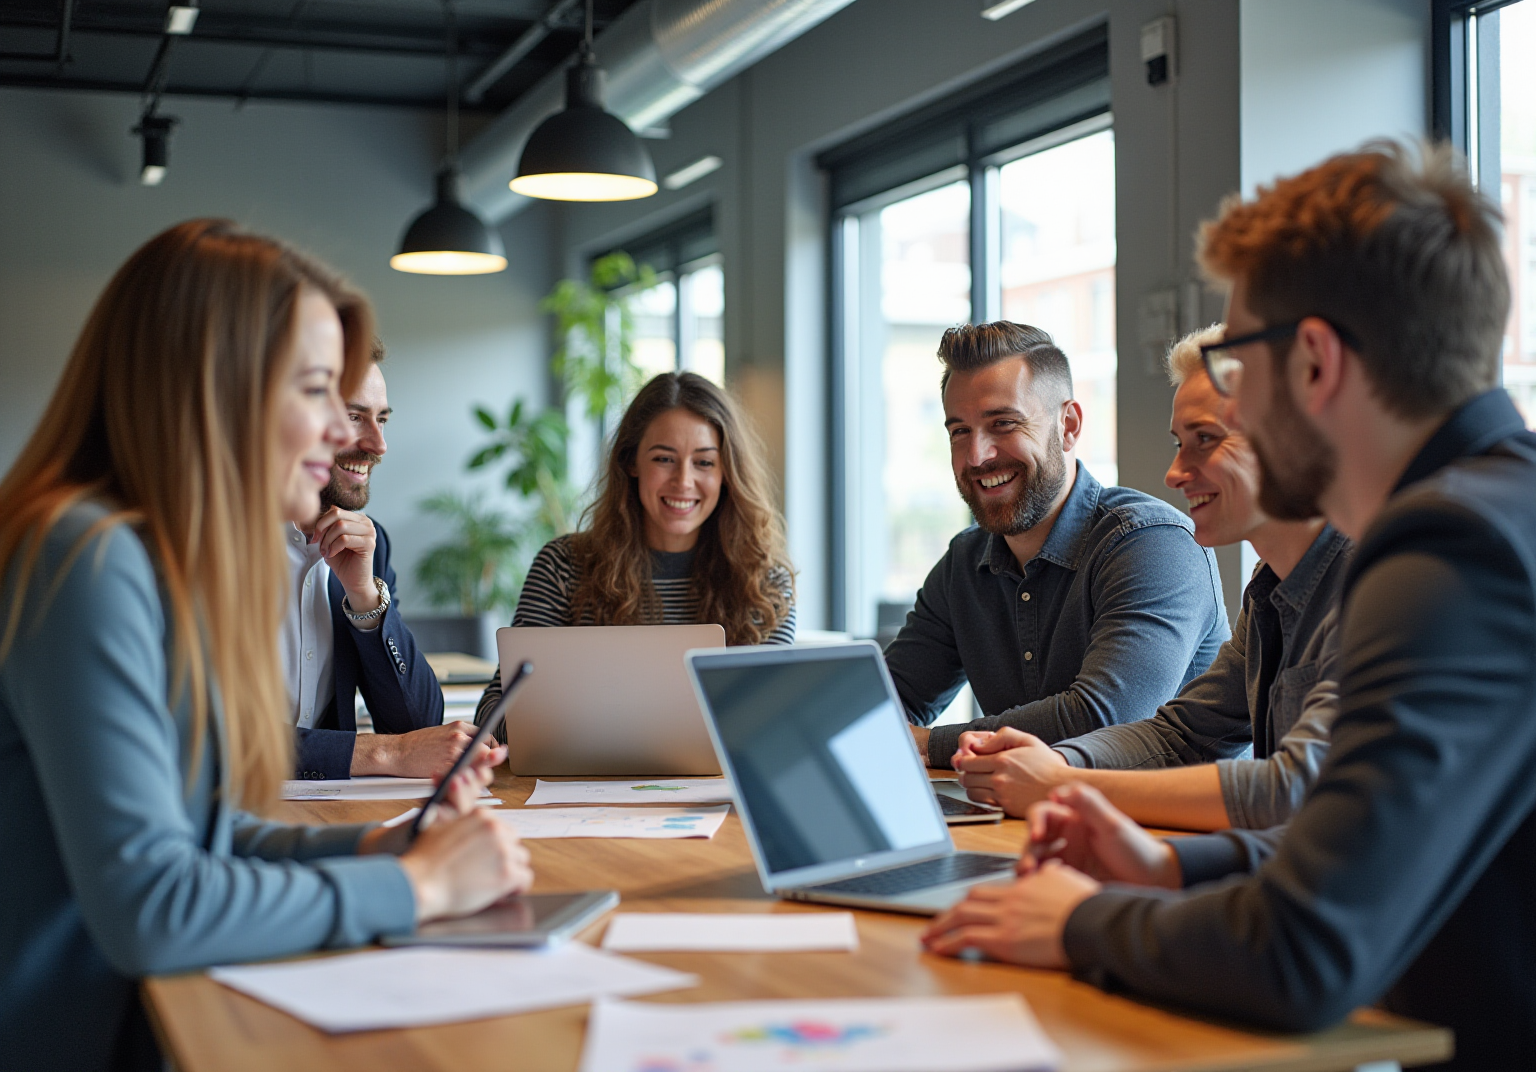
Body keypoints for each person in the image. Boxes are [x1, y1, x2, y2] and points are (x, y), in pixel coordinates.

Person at [922, 142, 1536, 1070]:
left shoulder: (1451, 553)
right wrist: (1169, 865)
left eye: (1242, 363)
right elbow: (1354, 847)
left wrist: (1085, 921)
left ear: (1317, 363)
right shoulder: (1497, 511)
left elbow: (1302, 951)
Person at [0, 220, 533, 1072]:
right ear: (219, 389)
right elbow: (155, 907)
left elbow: (202, 832)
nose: (345, 435)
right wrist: (417, 887)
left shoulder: (149, 556)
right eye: (320, 392)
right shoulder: (86, 558)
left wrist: (377, 847)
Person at [950, 325, 1351, 831]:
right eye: (1180, 443)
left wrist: (1063, 784)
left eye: (1205, 439)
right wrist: (1061, 765)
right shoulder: (1272, 591)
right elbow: (1179, 736)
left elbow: (1294, 789)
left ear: (1294, 436)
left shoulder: (1372, 584)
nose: (1174, 472)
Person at [887, 322, 1229, 770]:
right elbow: (885, 705)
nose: (977, 456)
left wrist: (929, 744)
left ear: (1068, 426)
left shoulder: (1152, 542)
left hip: (1160, 831)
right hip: (1023, 822)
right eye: (959, 432)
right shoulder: (964, 564)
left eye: (1002, 424)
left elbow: (1104, 718)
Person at [475, 371, 796, 738]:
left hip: (718, 793)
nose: (684, 481)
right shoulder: (563, 566)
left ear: (727, 473)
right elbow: (494, 718)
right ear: (631, 462)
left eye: (704, 462)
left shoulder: (765, 582)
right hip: (582, 790)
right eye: (664, 459)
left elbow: (772, 726)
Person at [286, 347, 478, 781]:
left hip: (322, 814)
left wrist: (366, 599)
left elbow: (417, 725)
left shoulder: (370, 545)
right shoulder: (212, 548)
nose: (379, 444)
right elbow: (208, 738)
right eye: (355, 417)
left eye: (383, 418)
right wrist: (385, 754)